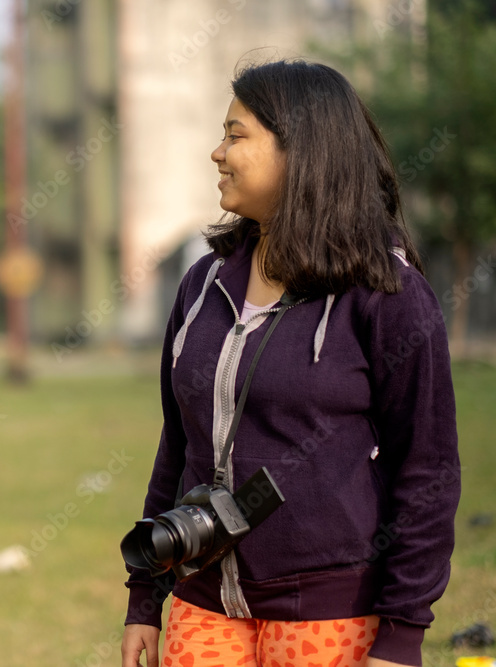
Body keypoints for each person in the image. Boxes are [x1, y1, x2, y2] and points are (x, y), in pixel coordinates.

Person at [121, 60, 459, 667]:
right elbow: (178, 443)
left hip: (332, 614)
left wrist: (403, 635)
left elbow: (427, 469)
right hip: (203, 604)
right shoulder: (203, 284)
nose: (216, 152)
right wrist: (145, 596)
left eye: (236, 134)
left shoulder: (387, 295)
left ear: (301, 152)